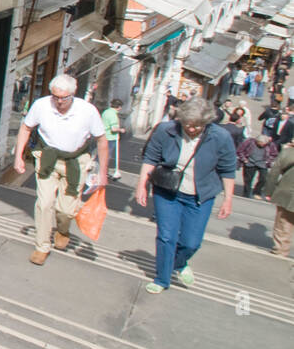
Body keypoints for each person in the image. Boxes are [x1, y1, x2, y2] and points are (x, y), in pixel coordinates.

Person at [133, 96, 236, 294]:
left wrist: (228, 199)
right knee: (166, 237)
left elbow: (228, 169)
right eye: (187, 124)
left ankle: (179, 264)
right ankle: (162, 279)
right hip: (167, 191)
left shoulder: (220, 137)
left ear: (206, 122)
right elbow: (151, 157)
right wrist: (141, 185)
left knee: (191, 242)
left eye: (197, 126)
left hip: (199, 196)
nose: (191, 129)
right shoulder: (166, 130)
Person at [12, 74, 110, 266]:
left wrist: (103, 173)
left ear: (73, 94)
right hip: (48, 158)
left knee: (65, 210)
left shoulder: (88, 111)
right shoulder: (41, 105)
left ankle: (63, 230)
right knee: (44, 203)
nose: (58, 101)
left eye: (63, 98)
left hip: (76, 161)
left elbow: (102, 141)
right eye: (55, 96)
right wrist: (19, 156)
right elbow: (26, 128)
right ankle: (41, 246)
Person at [262, 142, 294, 255]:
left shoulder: (288, 153)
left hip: (286, 193)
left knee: (283, 222)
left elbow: (274, 173)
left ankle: (281, 250)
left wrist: (269, 191)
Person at [237, 135, 277, 199]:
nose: (262, 145)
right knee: (248, 179)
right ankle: (246, 193)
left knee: (263, 178)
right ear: (257, 141)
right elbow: (240, 151)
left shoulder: (270, 145)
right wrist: (244, 159)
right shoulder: (249, 142)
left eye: (264, 144)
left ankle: (257, 192)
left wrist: (268, 161)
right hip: (250, 162)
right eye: (261, 143)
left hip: (262, 163)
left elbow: (274, 154)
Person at [101, 98, 124, 180]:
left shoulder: (106, 112)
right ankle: (103, 172)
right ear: (119, 107)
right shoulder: (113, 115)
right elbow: (113, 128)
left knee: (101, 154)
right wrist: (121, 130)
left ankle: (100, 171)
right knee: (107, 156)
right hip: (110, 138)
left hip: (103, 136)